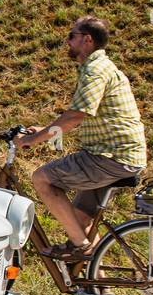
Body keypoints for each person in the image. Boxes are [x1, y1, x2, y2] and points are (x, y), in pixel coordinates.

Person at [15, 16, 146, 261]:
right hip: (119, 154)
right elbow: (85, 118)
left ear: (87, 40)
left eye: (71, 35)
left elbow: (76, 116)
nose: (67, 41)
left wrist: (33, 140)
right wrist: (46, 130)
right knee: (79, 220)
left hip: (110, 157)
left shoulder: (95, 70)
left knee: (41, 179)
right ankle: (98, 288)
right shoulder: (103, 68)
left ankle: (80, 247)